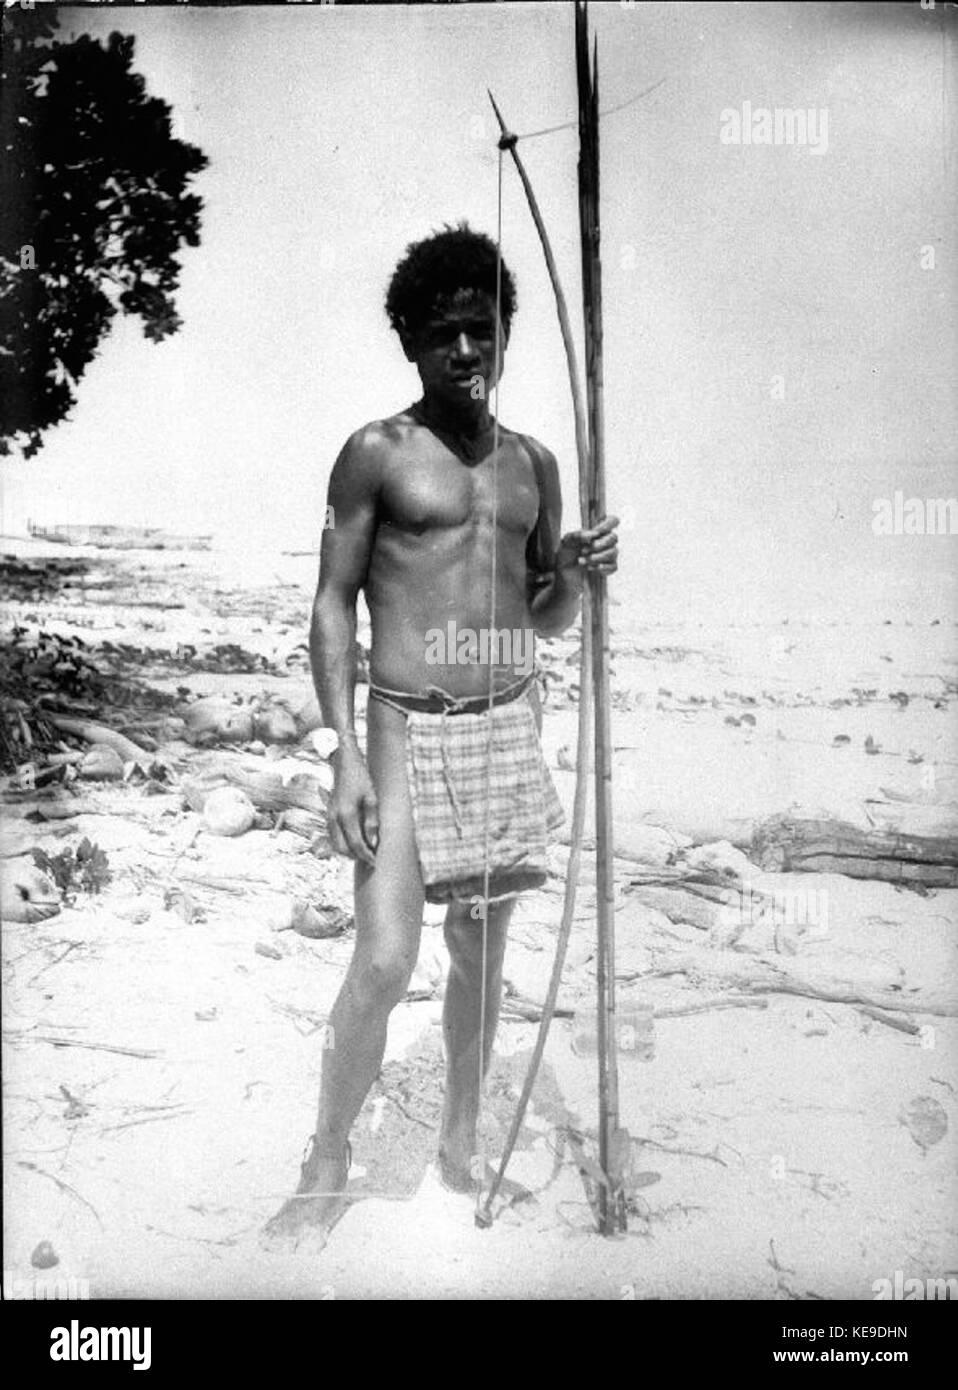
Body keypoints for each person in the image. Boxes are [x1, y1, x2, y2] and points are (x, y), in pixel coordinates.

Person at [264, 223, 618, 1249]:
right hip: (402, 730)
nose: (465, 351)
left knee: (478, 952)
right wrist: (339, 760)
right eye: (442, 335)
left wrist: (580, 577)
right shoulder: (375, 454)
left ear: (504, 332)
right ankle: (327, 1160)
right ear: (411, 344)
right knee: (382, 956)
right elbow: (331, 604)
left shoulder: (534, 466)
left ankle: (462, 1137)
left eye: (482, 329)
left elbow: (542, 617)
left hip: (506, 724)